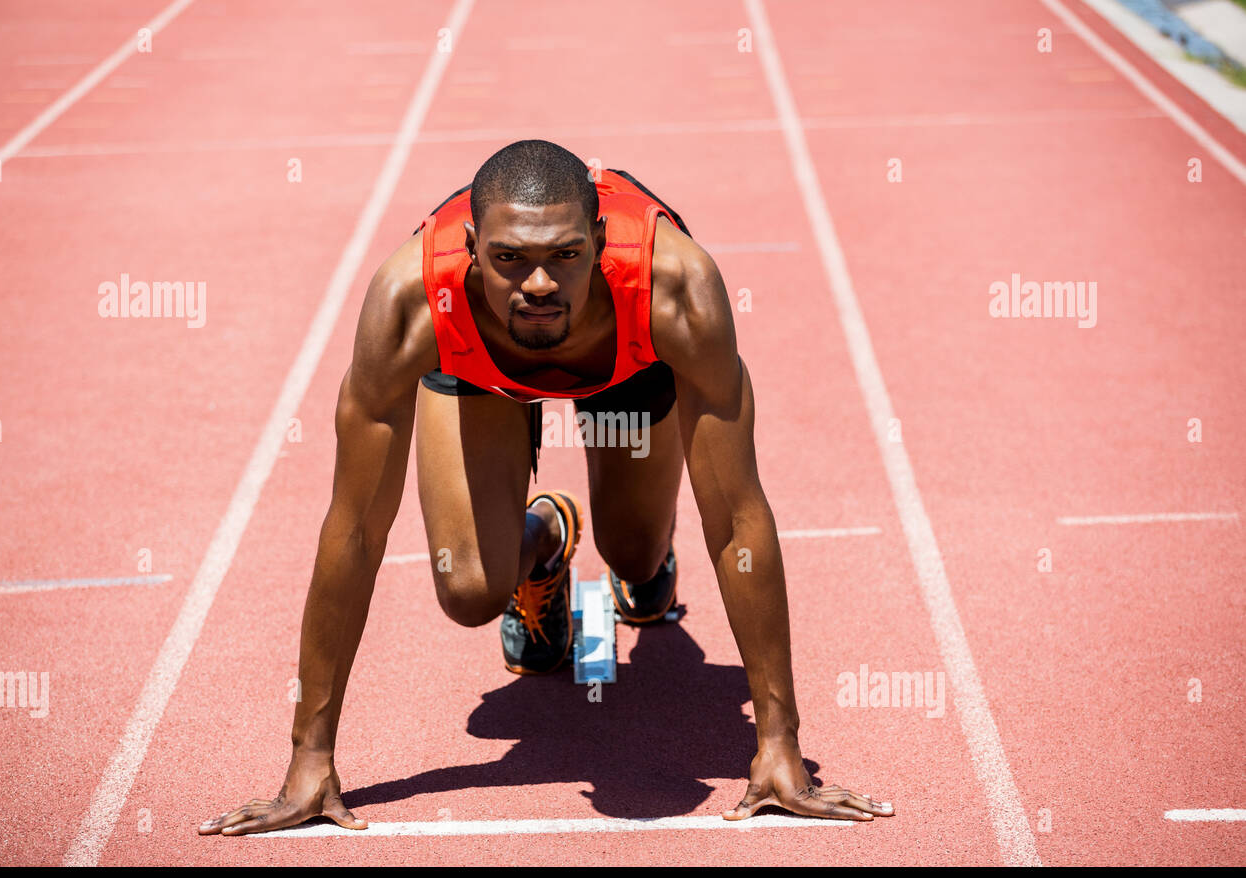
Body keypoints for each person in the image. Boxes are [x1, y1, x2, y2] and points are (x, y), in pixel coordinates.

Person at [199, 140, 892, 836]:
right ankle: (546, 540)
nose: (537, 284)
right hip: (482, 371)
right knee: (470, 590)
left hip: (627, 362)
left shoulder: (676, 286)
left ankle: (637, 554)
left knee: (635, 557)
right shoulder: (411, 301)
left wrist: (779, 746)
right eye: (509, 260)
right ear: (471, 247)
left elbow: (738, 517)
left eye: (563, 256)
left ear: (597, 241)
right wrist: (309, 760)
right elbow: (353, 525)